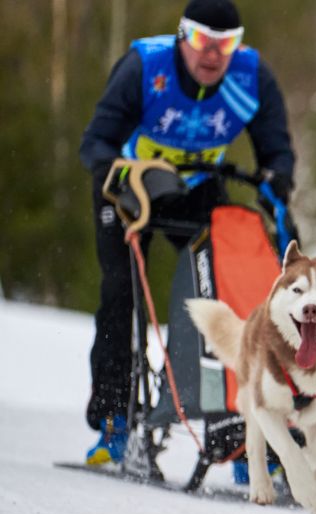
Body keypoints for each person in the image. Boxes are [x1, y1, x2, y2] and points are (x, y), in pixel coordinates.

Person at [79, 0, 296, 465]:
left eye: (226, 45)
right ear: (182, 37)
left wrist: (277, 179)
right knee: (120, 295)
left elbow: (277, 151)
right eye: (201, 41)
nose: (213, 55)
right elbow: (95, 141)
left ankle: (235, 428)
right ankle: (114, 423)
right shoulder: (145, 67)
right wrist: (116, 174)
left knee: (226, 298)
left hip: (197, 189)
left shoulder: (250, 77)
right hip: (129, 189)